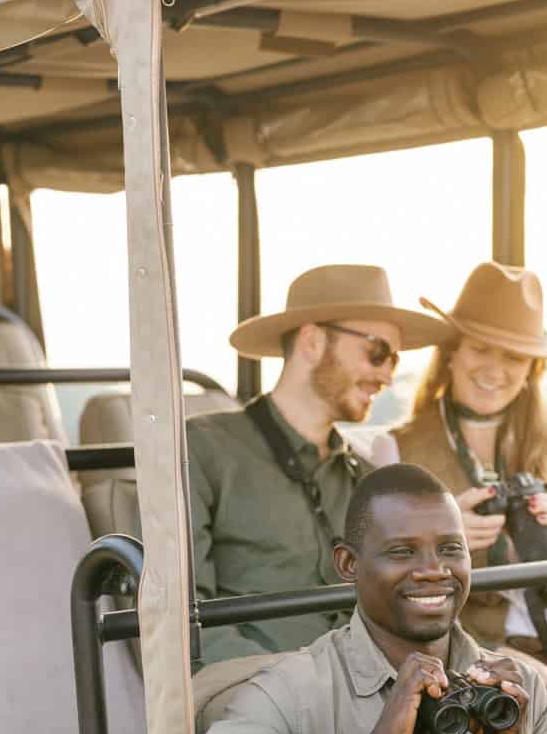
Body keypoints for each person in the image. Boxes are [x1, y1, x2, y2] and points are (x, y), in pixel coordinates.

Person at [148, 464, 547, 734]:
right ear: (348, 564)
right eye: (402, 552)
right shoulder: (298, 692)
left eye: (451, 549)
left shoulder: (518, 690)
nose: (434, 570)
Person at [371, 262, 547, 717]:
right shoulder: (396, 447)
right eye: (481, 349)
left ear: (532, 368)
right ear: (451, 352)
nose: (495, 370)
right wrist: (444, 537)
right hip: (467, 647)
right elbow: (386, 593)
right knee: (532, 710)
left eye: (514, 357)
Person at [185, 263, 452, 666]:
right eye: (376, 351)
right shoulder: (203, 448)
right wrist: (294, 686)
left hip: (367, 689)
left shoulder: (367, 480)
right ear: (311, 342)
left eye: (393, 361)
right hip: (249, 685)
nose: (385, 375)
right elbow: (180, 622)